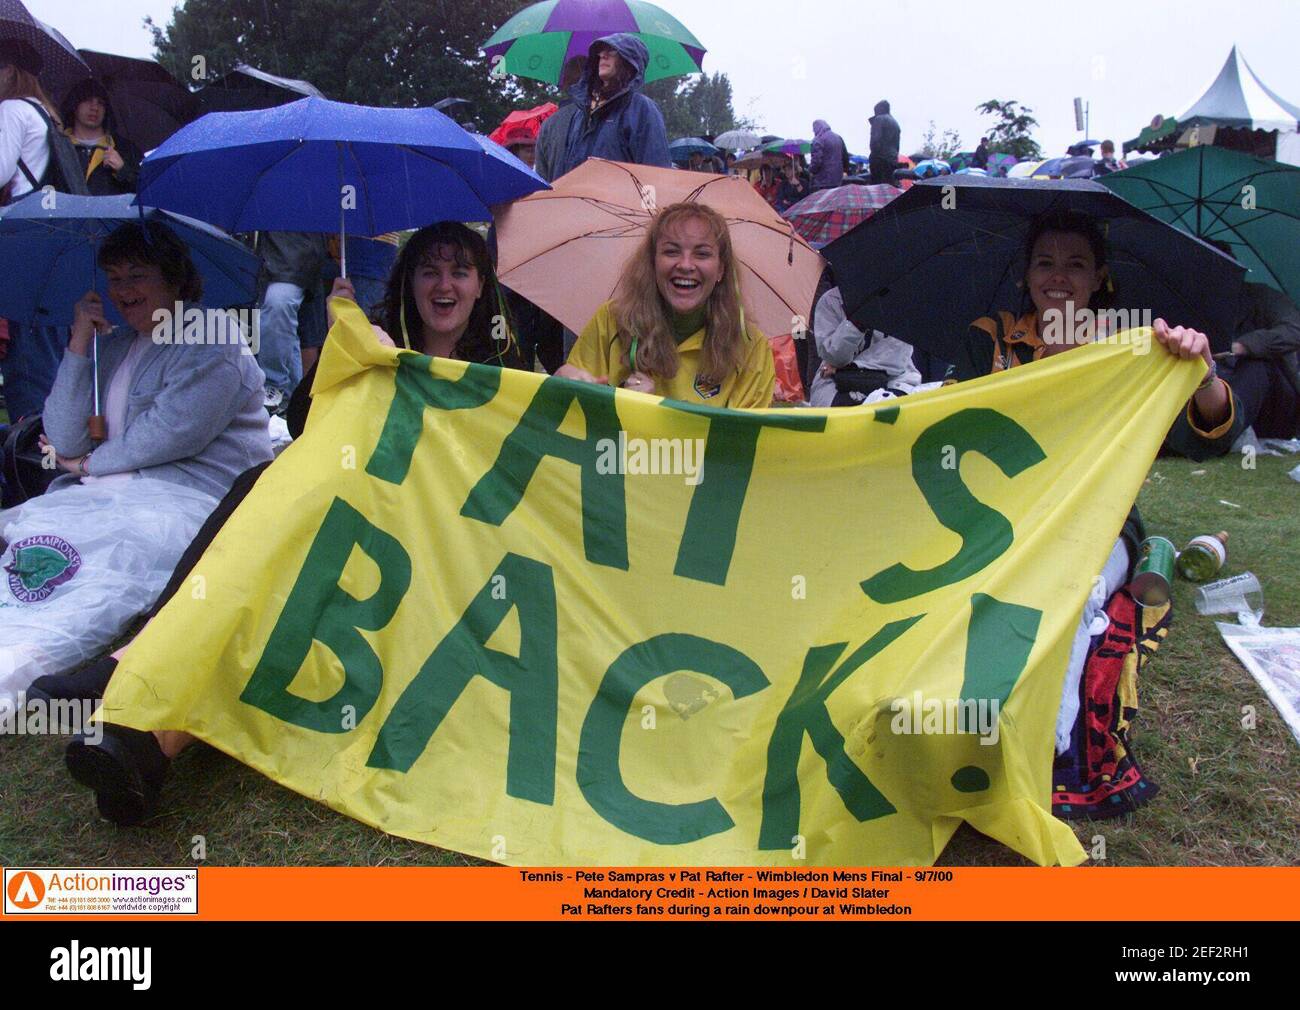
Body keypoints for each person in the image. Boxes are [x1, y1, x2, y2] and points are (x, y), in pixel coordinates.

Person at [56, 221, 525, 825]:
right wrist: (345, 351)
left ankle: (139, 722)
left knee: (270, 592)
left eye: (459, 271)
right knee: (256, 509)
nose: (443, 284)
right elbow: (307, 425)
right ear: (408, 283)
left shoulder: (503, 370)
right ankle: (138, 730)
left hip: (422, 542)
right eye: (429, 270)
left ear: (481, 286)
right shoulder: (374, 342)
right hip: (344, 511)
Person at [943, 209, 1230, 814]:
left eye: (1076, 264)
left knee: (1070, 590)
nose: (1058, 277)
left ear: (1099, 277)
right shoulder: (988, 334)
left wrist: (1200, 369)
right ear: (1026, 273)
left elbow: (1208, 437)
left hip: (1099, 519)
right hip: (1000, 513)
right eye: (1045, 262)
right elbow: (950, 420)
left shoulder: (1133, 342)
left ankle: (1042, 743)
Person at [5, 221, 271, 710]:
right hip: (106, 496)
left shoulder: (214, 340)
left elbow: (172, 433)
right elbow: (63, 433)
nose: (122, 290)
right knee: (27, 554)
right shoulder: (116, 345)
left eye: (137, 275)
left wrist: (84, 465)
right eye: (114, 278)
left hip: (184, 500)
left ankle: (22, 659)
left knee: (100, 570)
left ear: (174, 280)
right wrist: (80, 342)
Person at [557, 203, 774, 408]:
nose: (686, 265)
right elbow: (572, 418)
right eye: (671, 251)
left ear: (720, 270)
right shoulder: (611, 320)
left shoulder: (750, 347)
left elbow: (744, 443)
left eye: (702, 254)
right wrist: (564, 383)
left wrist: (657, 414)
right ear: (652, 263)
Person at [0, 40, 66, 420]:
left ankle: (29, 451)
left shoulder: (10, 109)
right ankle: (53, 445)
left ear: (10, 71)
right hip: (48, 237)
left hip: (18, 238)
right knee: (50, 351)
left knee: (25, 357)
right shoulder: (46, 113)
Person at [553, 34, 671, 178]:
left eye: (612, 51)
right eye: (601, 51)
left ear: (630, 61)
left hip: (622, 200)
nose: (603, 55)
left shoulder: (641, 109)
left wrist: (649, 201)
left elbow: (656, 173)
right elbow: (567, 169)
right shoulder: (581, 112)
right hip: (579, 199)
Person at [809, 284, 921, 407]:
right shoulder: (831, 300)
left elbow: (895, 361)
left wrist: (843, 370)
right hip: (836, 385)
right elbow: (833, 357)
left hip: (894, 380)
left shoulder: (902, 301)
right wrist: (855, 324)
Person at [254, 231, 329, 413]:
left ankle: (274, 391)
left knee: (279, 305)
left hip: (295, 256)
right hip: (263, 255)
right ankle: (291, 402)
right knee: (288, 331)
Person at [59, 78, 142, 195]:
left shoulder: (124, 149)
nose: (95, 108)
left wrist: (123, 170)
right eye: (87, 100)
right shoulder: (59, 147)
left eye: (101, 103)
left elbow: (144, 192)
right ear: (75, 105)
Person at [535, 57, 586, 183]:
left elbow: (541, 176)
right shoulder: (604, 115)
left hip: (557, 197)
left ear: (564, 84)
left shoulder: (549, 125)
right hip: (598, 197)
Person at [868, 99, 900, 186]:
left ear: (880, 110)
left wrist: (873, 156)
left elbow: (875, 141)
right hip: (892, 160)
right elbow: (897, 146)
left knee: (877, 189)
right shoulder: (896, 123)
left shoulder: (879, 119)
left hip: (880, 160)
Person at [809, 119, 846, 191]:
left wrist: (811, 170)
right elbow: (845, 157)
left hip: (822, 180)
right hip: (838, 178)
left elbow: (816, 160)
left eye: (814, 129)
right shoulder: (838, 138)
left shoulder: (818, 139)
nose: (813, 131)